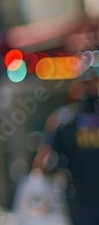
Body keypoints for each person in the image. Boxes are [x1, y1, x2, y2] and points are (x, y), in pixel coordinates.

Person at [33, 76, 99, 225]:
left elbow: (42, 163)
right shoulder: (65, 119)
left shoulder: (65, 119)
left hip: (81, 202)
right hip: (82, 202)